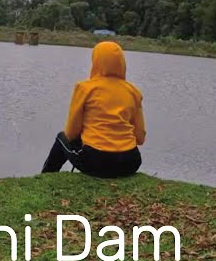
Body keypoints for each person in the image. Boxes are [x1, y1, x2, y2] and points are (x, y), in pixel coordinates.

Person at [41, 41, 145, 178]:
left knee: (61, 137)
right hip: (130, 162)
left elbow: (71, 133)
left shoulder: (85, 88)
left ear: (96, 62)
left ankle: (45, 177)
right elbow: (140, 137)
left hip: (97, 162)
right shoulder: (133, 92)